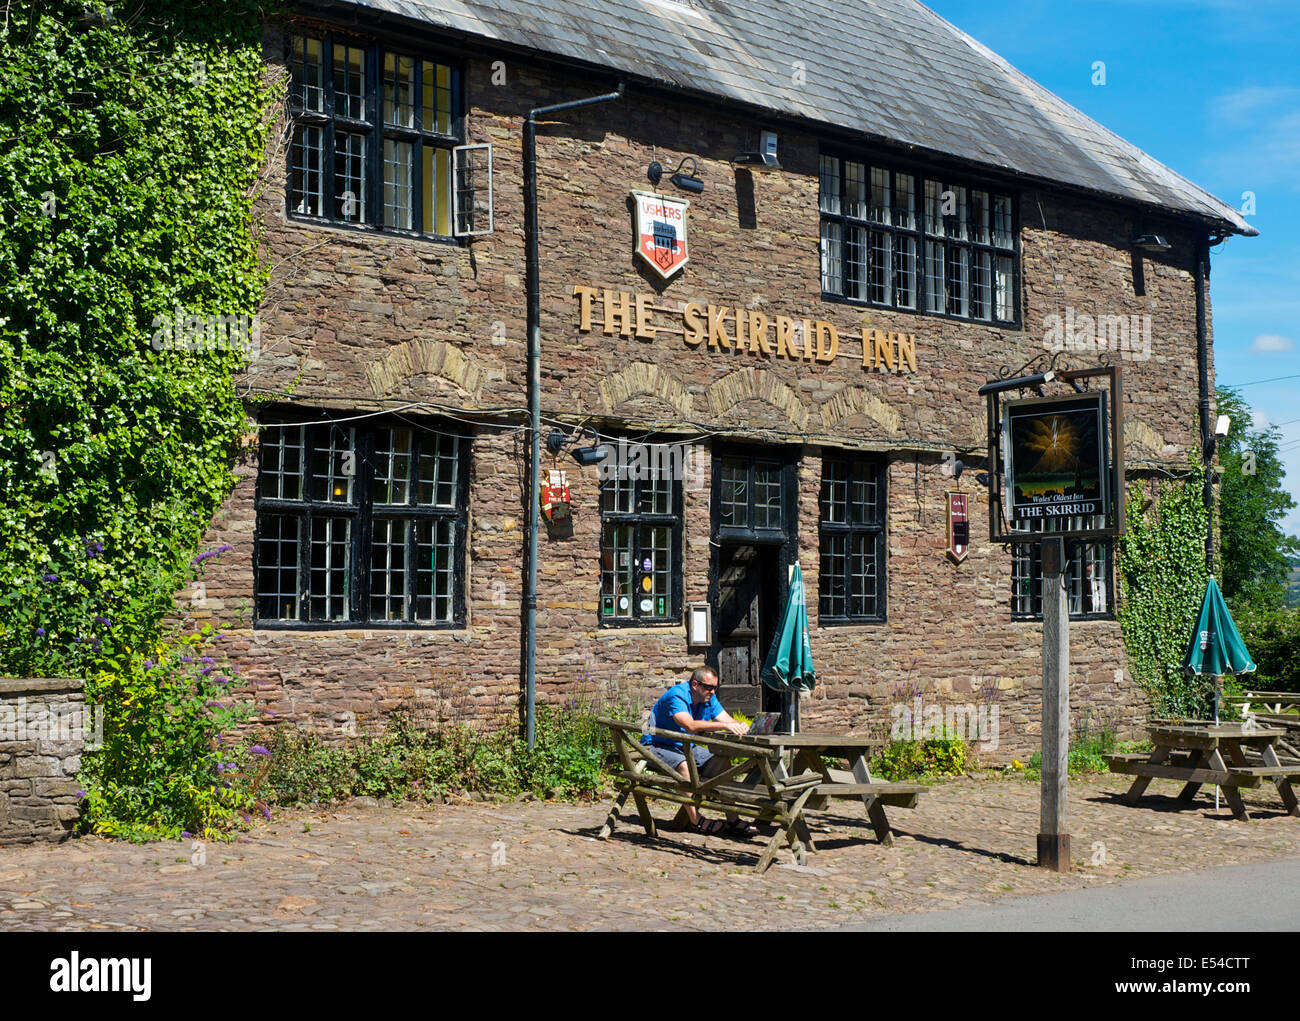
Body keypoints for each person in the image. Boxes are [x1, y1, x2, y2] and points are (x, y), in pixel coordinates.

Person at [641, 666, 754, 836]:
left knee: (722, 761)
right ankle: (696, 820)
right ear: (695, 684)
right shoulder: (677, 695)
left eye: (715, 687)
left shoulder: (709, 697)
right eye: (709, 687)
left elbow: (727, 719)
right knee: (684, 766)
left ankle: (733, 819)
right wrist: (725, 726)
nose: (713, 692)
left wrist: (740, 726)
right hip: (658, 746)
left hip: (687, 746)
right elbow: (690, 725)